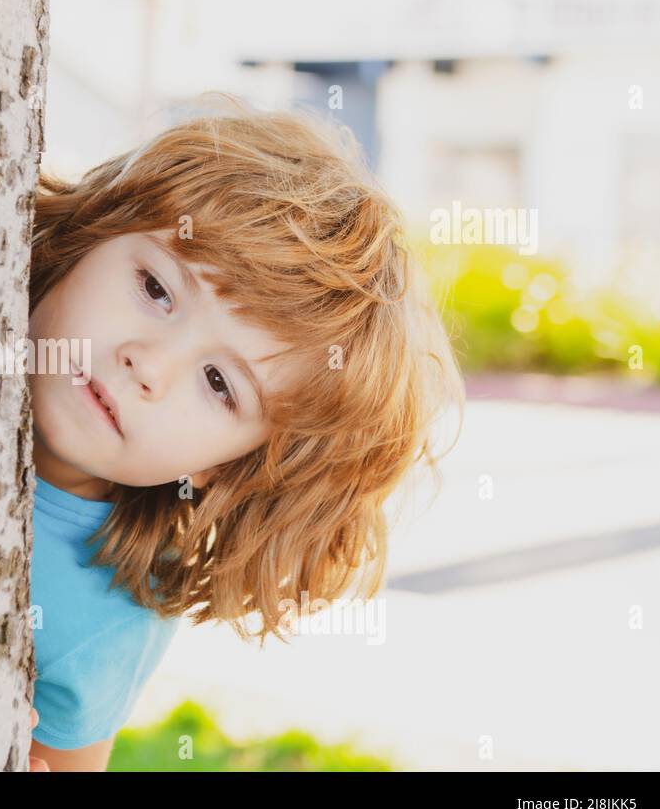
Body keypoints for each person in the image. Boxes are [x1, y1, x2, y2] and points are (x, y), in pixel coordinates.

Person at [25, 95, 465, 771]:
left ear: (222, 469)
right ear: (94, 234)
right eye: (156, 289)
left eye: (219, 383)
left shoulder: (107, 615)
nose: (150, 364)